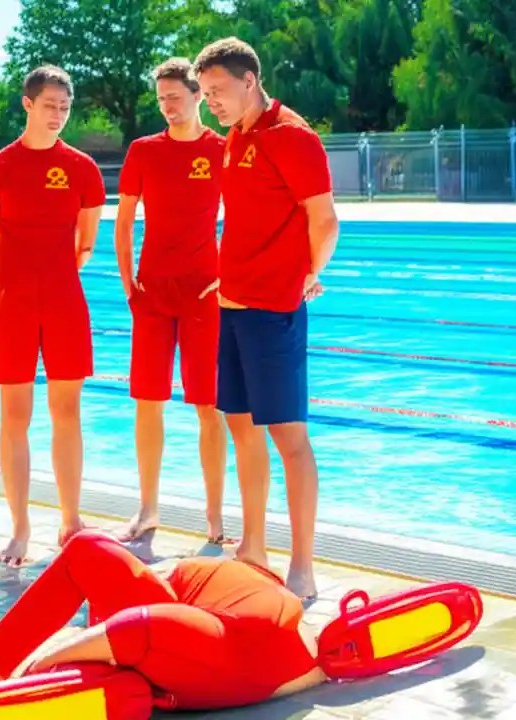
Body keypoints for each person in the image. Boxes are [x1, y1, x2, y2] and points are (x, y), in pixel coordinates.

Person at [193, 37, 339, 599]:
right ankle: (253, 546)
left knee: (288, 436)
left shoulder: (291, 137)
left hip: (273, 309)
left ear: (250, 81)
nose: (212, 104)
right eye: (205, 94)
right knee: (240, 424)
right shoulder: (238, 137)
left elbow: (324, 221)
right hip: (232, 303)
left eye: (219, 92)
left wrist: (305, 273)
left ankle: (302, 566)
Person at [0, 531, 325, 712]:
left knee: (85, 549)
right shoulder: (226, 636)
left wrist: (26, 675)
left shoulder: (194, 633)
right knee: (92, 586)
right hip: (236, 624)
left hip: (220, 629)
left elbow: (136, 629)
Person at [0, 65, 104, 567]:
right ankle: (20, 526)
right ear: (27, 105)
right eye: (49, 105)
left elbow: (86, 242)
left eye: (65, 107)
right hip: (11, 303)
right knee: (15, 416)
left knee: (67, 412)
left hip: (65, 299)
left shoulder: (83, 168)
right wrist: (17, 283)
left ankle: (70, 518)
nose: (58, 115)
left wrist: (50, 278)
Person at [114, 58, 228, 545]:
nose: (168, 107)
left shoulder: (221, 149)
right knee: (148, 402)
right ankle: (147, 509)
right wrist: (127, 283)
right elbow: (122, 220)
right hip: (152, 291)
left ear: (198, 95)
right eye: (161, 99)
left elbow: (246, 217)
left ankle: (216, 517)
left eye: (175, 97)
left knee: (209, 406)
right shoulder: (144, 151)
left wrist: (224, 277)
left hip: (203, 293)